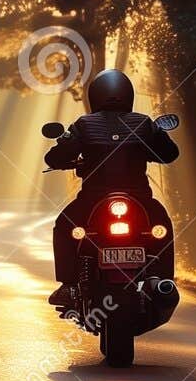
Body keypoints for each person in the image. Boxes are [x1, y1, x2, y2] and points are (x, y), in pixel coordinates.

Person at [45, 70, 178, 305]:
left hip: (92, 201)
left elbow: (54, 158)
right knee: (162, 225)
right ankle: (163, 282)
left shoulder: (84, 124)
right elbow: (169, 154)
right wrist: (156, 136)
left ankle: (67, 284)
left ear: (95, 95)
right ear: (128, 94)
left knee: (64, 226)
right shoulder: (144, 123)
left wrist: (66, 150)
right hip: (139, 199)